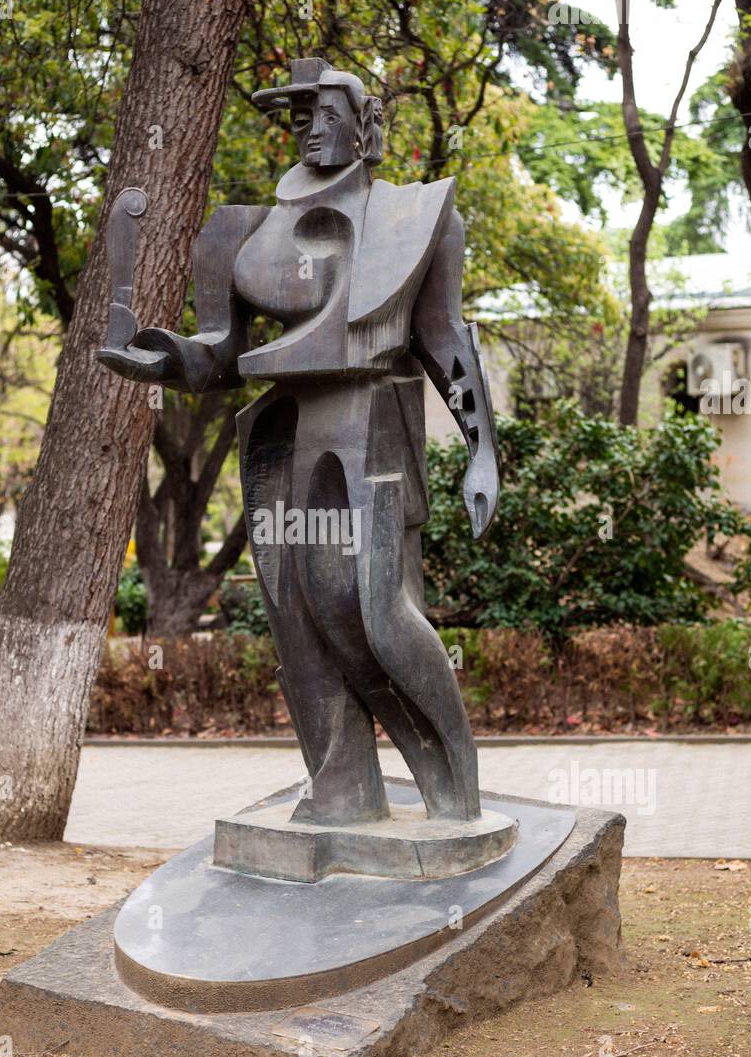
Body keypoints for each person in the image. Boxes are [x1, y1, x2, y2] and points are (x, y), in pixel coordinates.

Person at [98, 58, 500, 827]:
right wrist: (161, 357)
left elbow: (443, 337)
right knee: (295, 616)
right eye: (300, 116)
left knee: (371, 611)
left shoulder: (415, 217)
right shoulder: (240, 229)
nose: (311, 128)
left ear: (364, 125)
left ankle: (453, 785)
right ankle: (341, 788)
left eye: (326, 113)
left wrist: (481, 450)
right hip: (279, 430)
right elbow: (217, 353)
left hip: (369, 422)